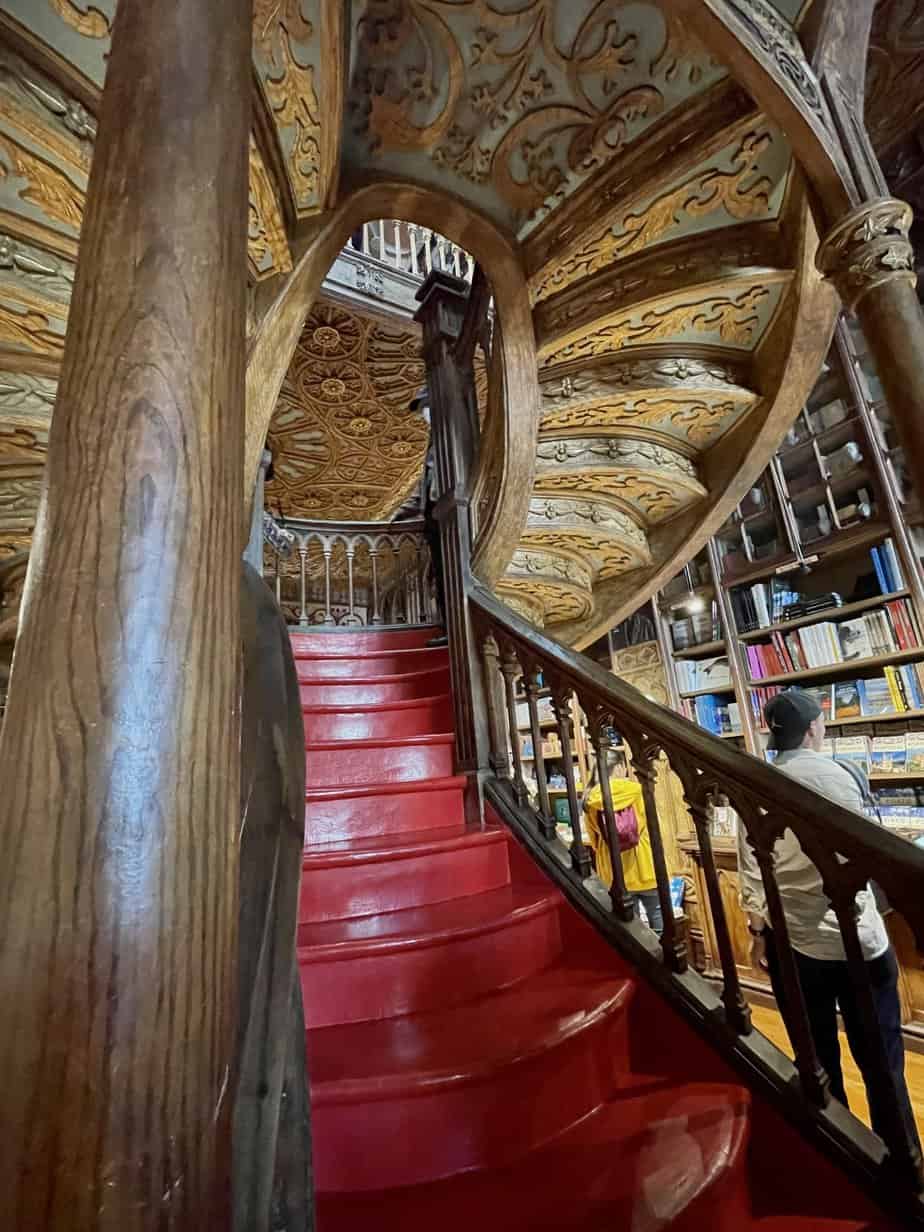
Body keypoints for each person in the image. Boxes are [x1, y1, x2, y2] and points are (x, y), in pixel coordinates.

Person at [738, 687, 919, 1153]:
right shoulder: (845, 774)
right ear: (814, 729)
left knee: (817, 1060)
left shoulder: (753, 783)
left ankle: (841, 1152)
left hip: (795, 942)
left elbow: (752, 870)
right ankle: (903, 1160)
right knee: (882, 1064)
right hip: (859, 940)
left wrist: (757, 935)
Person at [583, 747, 663, 935]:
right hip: (645, 866)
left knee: (633, 930)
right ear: (619, 767)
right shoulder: (638, 791)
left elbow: (594, 841)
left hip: (615, 873)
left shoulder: (591, 799)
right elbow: (654, 827)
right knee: (659, 921)